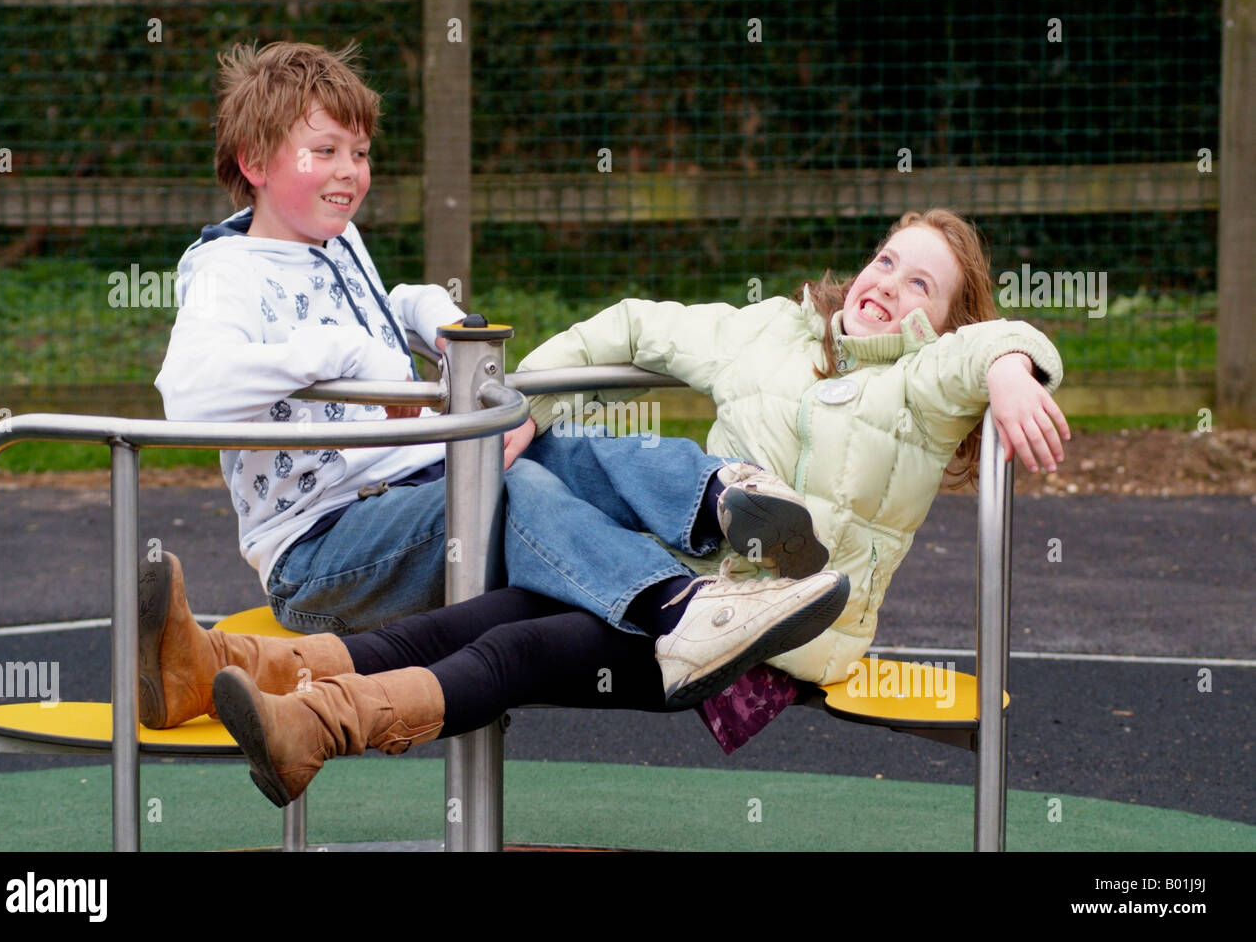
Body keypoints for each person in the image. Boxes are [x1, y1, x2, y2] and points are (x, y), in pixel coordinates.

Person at [192, 206, 1069, 808]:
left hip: (778, 635)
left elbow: (1000, 341)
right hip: (660, 577)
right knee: (492, 605)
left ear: (947, 321)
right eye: (886, 259)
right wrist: (522, 401)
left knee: (518, 646)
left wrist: (1007, 369)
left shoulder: (926, 384)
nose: (890, 282)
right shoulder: (776, 331)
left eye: (923, 285)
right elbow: (637, 325)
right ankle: (234, 669)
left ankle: (316, 725)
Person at [147, 38, 849, 752]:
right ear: (255, 164)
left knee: (552, 443)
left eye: (359, 153)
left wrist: (419, 312)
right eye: (324, 151)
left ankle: (720, 499)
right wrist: (352, 354)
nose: (349, 172)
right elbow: (189, 390)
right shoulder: (226, 271)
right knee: (507, 488)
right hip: (325, 553)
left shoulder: (334, 240)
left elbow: (360, 306)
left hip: (406, 499)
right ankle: (678, 608)